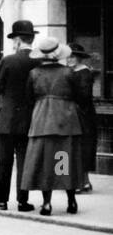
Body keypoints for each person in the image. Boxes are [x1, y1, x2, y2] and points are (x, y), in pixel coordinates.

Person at [20, 38, 87, 215]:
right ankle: (71, 201)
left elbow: (28, 99)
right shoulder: (68, 72)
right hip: (66, 122)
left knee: (45, 163)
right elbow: (80, 96)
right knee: (63, 161)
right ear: (58, 54)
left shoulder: (34, 73)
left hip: (42, 122)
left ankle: (47, 203)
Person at [0, 20, 40, 212]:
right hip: (29, 118)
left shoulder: (8, 60)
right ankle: (23, 201)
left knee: (4, 160)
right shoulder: (39, 61)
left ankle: (0, 200)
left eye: (14, 40)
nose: (13, 43)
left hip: (7, 117)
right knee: (24, 160)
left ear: (19, 41)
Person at [67, 43, 96, 193]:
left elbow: (84, 96)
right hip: (74, 114)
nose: (69, 59)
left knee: (82, 147)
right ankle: (80, 181)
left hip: (82, 115)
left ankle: (82, 182)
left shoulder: (84, 73)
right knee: (72, 148)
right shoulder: (71, 72)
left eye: (72, 56)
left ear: (79, 58)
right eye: (68, 56)